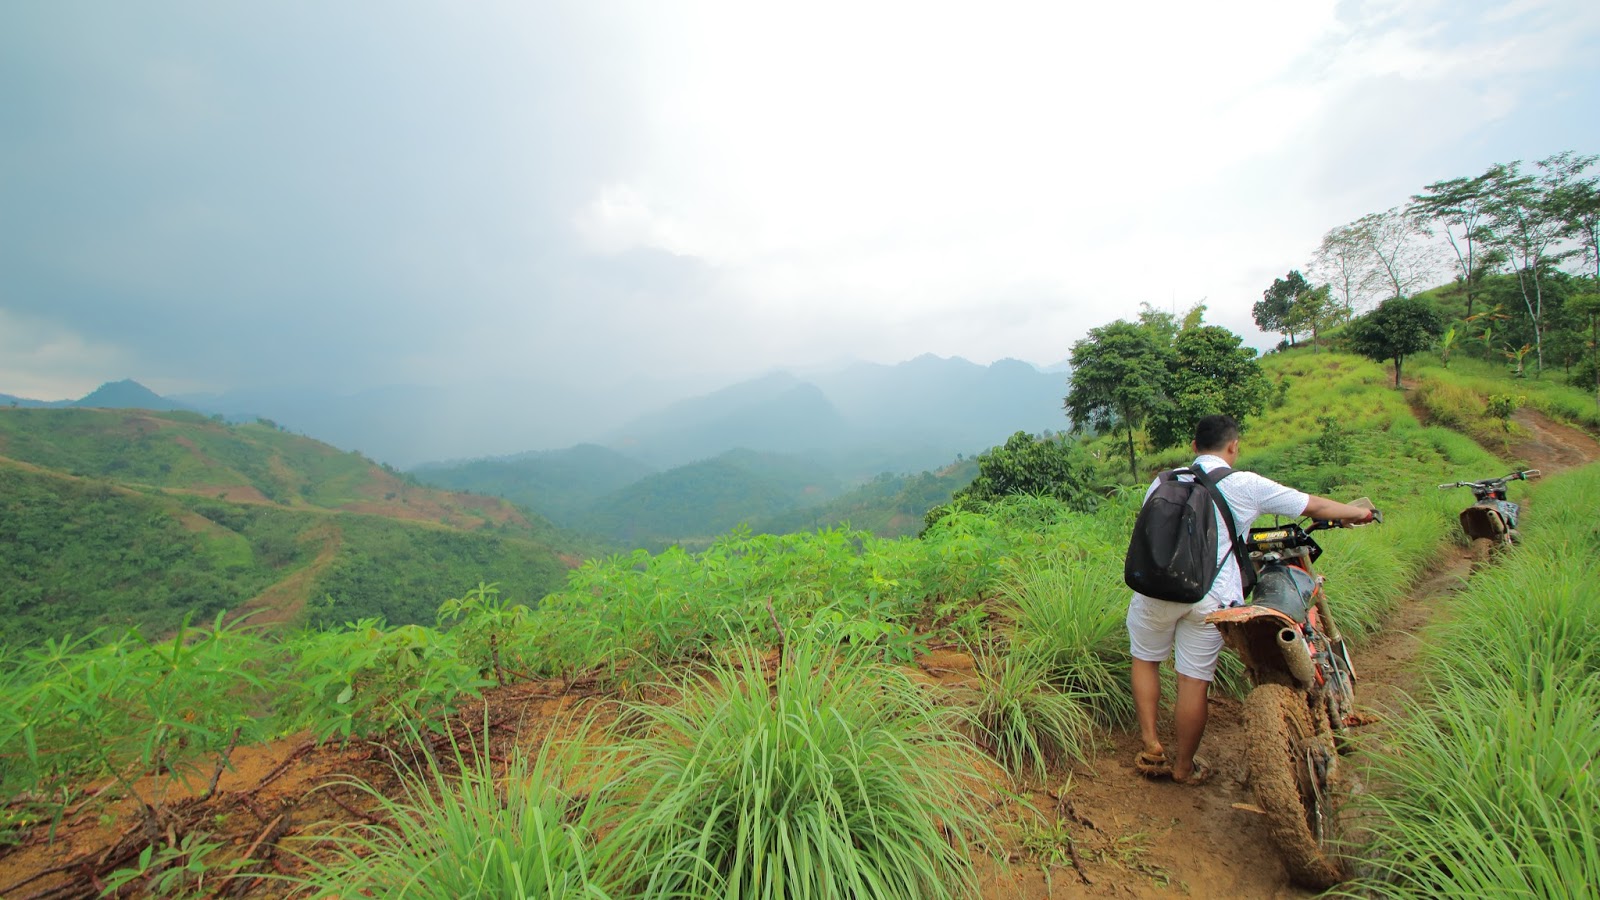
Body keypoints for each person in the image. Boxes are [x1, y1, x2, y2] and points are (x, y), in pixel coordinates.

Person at [1127, 414, 1374, 785]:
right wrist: (1359, 512)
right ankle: (1183, 768)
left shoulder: (1164, 481)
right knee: (1193, 681)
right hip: (1209, 599)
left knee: (1146, 661)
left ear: (1194, 448)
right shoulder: (1244, 485)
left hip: (1155, 590)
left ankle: (1151, 744)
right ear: (1233, 447)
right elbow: (1314, 507)